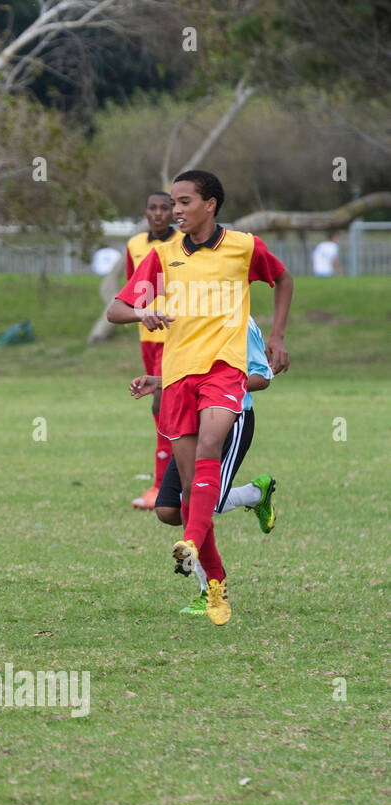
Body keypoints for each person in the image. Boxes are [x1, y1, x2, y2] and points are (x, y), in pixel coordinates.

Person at [107, 169, 292, 626]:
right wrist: (142, 312)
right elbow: (115, 310)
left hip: (225, 371)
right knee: (187, 497)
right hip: (178, 376)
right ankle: (215, 585)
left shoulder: (244, 246)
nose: (175, 211)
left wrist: (278, 336)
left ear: (210, 204)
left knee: (212, 444)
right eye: (172, 203)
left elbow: (283, 279)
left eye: (185, 201)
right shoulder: (163, 256)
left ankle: (190, 543)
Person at [129, 316, 278, 614]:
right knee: (169, 510)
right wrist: (160, 382)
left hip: (232, 419)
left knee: (201, 503)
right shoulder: (189, 315)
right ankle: (254, 494)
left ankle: (207, 590)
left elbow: (262, 376)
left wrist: (215, 388)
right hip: (191, 421)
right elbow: (189, 371)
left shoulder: (238, 319)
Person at [125, 192, 181, 511]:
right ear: (145, 212)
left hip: (174, 335)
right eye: (153, 208)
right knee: (163, 406)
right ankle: (177, 480)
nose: (158, 214)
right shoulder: (134, 245)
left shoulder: (184, 244)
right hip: (147, 337)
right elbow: (131, 290)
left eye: (165, 208)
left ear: (174, 212)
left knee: (161, 404)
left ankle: (162, 485)